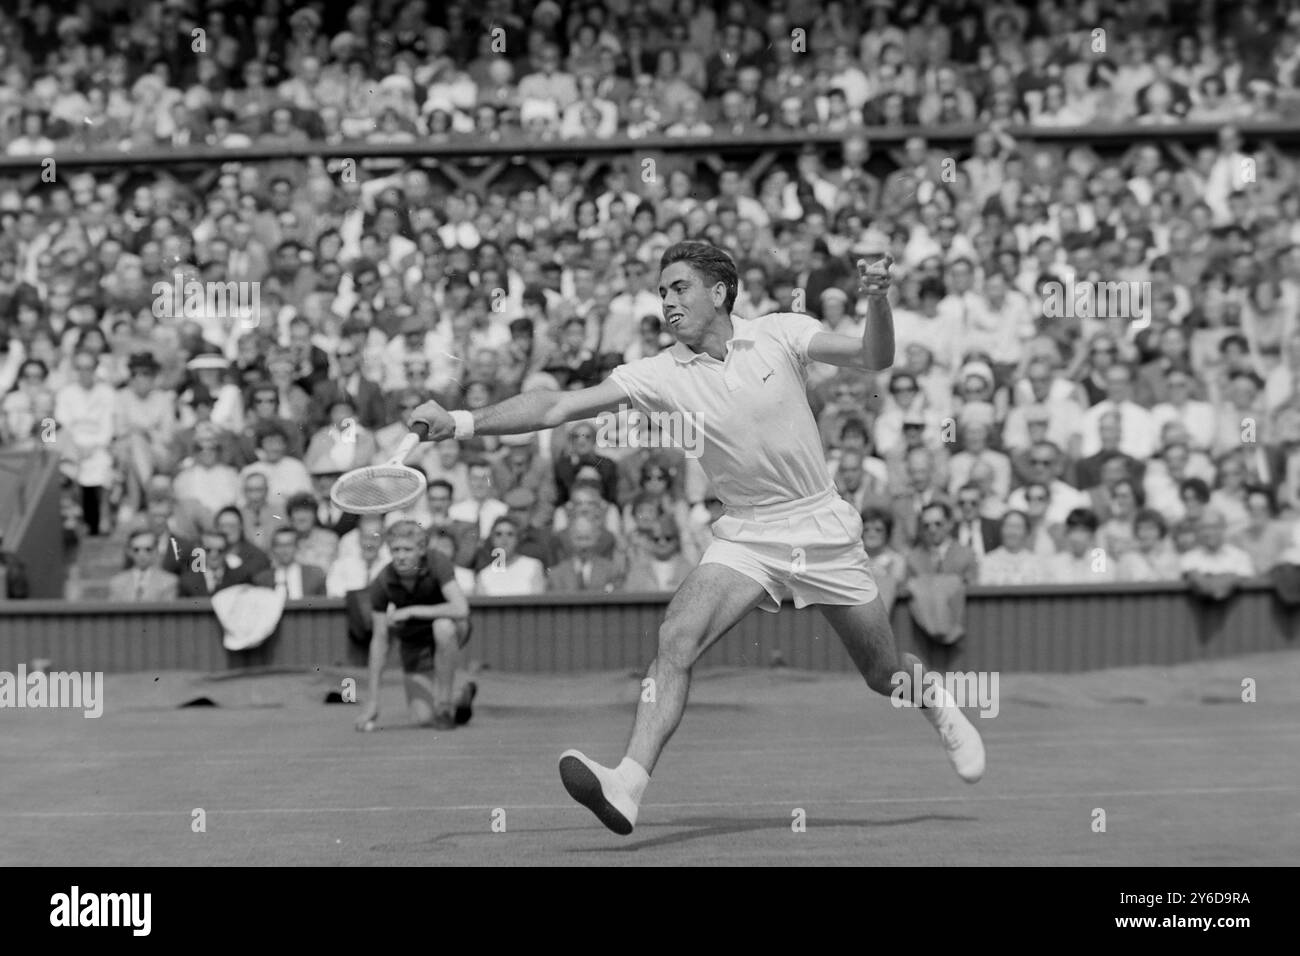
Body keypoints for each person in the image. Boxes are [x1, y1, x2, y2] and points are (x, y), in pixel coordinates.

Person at [410, 241, 984, 836]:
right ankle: (628, 783)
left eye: (679, 287)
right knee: (676, 638)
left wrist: (879, 299)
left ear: (720, 291)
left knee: (881, 671)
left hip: (821, 524)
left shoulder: (780, 333)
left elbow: (873, 355)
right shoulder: (658, 372)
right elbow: (557, 406)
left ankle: (935, 702)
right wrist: (462, 422)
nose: (667, 300)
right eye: (661, 291)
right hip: (747, 533)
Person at [357, 520, 475, 731]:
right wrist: (372, 700)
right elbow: (380, 640)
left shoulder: (438, 562)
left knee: (443, 627)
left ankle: (446, 707)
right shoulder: (382, 581)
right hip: (414, 642)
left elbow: (461, 608)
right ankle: (459, 696)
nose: (400, 556)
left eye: (407, 549)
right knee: (421, 718)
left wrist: (412, 611)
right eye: (395, 550)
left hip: (450, 630)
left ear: (421, 549)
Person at [108, 529, 179, 601]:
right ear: (129, 551)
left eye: (148, 549)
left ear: (156, 550)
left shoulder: (169, 581)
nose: (142, 554)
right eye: (136, 550)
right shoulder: (117, 582)